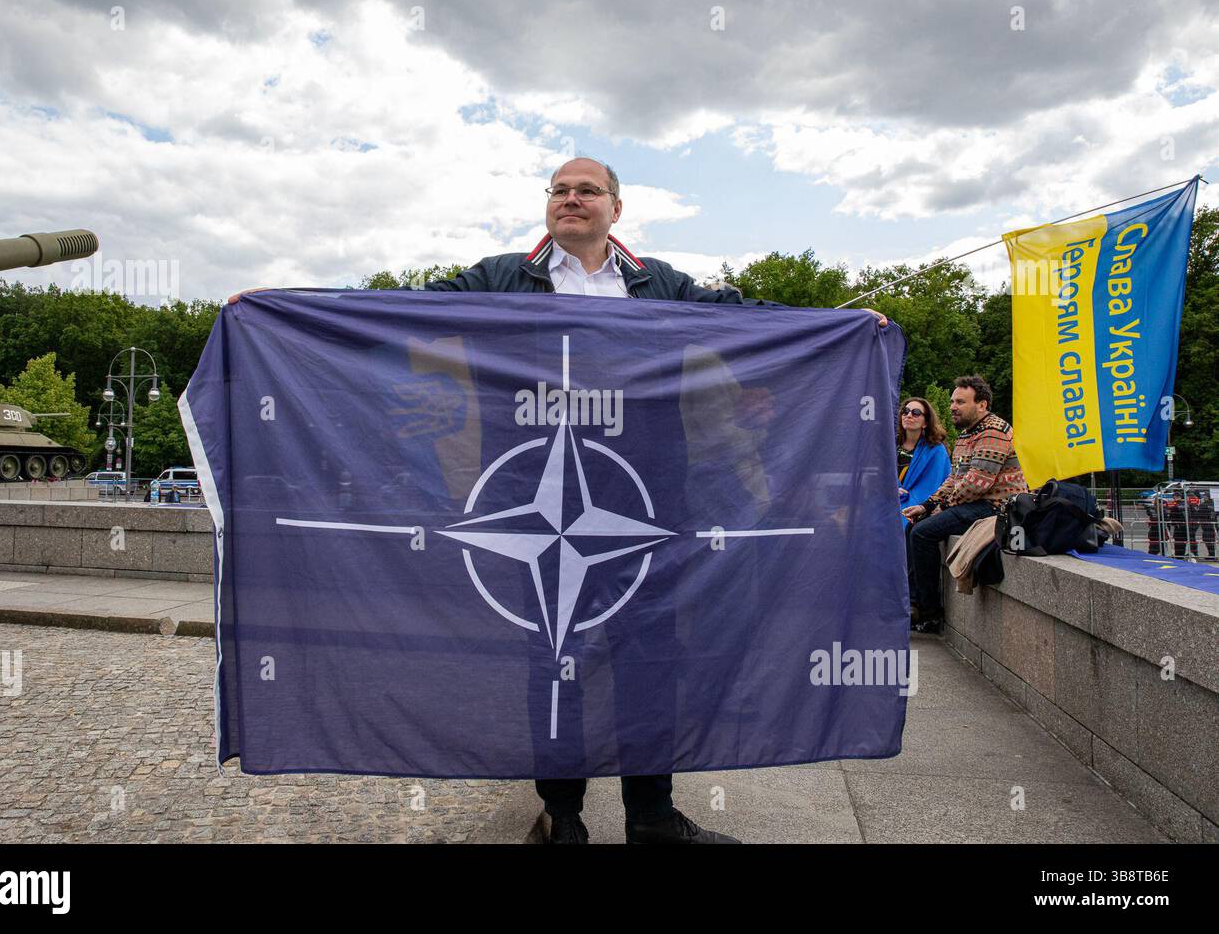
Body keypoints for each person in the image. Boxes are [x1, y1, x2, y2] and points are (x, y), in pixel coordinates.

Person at [230, 157, 889, 844]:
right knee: (553, 656)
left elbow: (742, 320)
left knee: (651, 659)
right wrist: (288, 306)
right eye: (560, 191)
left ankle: (652, 819)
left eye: (587, 191)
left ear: (616, 207)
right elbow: (404, 309)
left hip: (645, 497)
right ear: (548, 204)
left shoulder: (658, 283)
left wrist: (837, 325)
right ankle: (562, 815)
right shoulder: (497, 277)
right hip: (531, 500)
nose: (570, 200)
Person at [901, 375, 1027, 634]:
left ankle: (930, 612)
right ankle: (914, 603)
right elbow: (953, 479)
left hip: (995, 507)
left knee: (923, 533)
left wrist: (941, 508)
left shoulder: (994, 430)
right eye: (952, 401)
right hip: (974, 503)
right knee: (914, 525)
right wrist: (926, 506)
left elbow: (977, 484)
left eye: (960, 402)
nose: (952, 407)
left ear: (981, 404)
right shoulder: (966, 435)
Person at [896, 397, 951, 529]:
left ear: (925, 423)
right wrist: (889, 490)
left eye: (916, 413)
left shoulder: (936, 450)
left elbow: (934, 485)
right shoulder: (888, 445)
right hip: (884, 500)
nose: (909, 415)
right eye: (905, 411)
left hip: (919, 506)